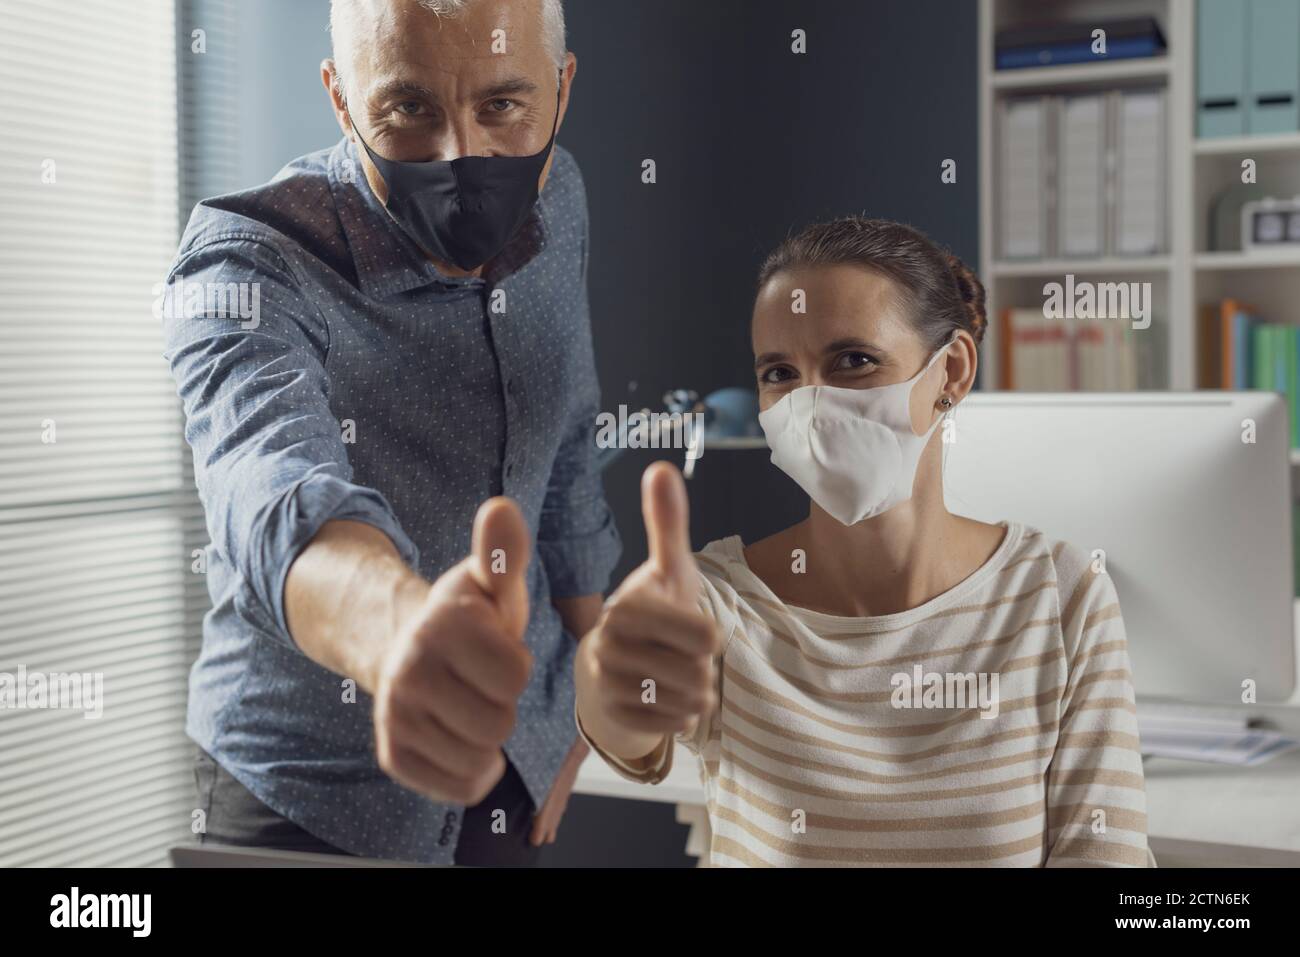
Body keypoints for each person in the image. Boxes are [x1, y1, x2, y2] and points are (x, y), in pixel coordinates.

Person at [165, 0, 617, 866]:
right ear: (341, 99)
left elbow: (566, 456)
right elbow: (274, 490)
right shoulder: (242, 260)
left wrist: (588, 694)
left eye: (502, 106)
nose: (463, 157)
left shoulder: (563, 198)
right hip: (303, 794)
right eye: (410, 110)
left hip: (509, 768)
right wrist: (399, 629)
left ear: (560, 93)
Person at [575, 216, 1155, 867]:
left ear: (952, 372)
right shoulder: (717, 602)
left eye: (853, 361)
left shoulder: (1062, 594)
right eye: (780, 372)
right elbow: (626, 724)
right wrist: (610, 674)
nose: (811, 401)